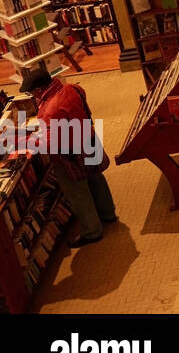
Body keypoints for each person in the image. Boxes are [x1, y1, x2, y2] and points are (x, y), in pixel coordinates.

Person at [21, 68, 117, 248]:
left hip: (70, 153)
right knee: (96, 178)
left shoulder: (50, 109)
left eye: (31, 92)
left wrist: (23, 141)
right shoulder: (73, 88)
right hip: (88, 139)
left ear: (39, 90)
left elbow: (50, 143)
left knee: (78, 192)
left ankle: (92, 231)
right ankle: (108, 214)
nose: (32, 96)